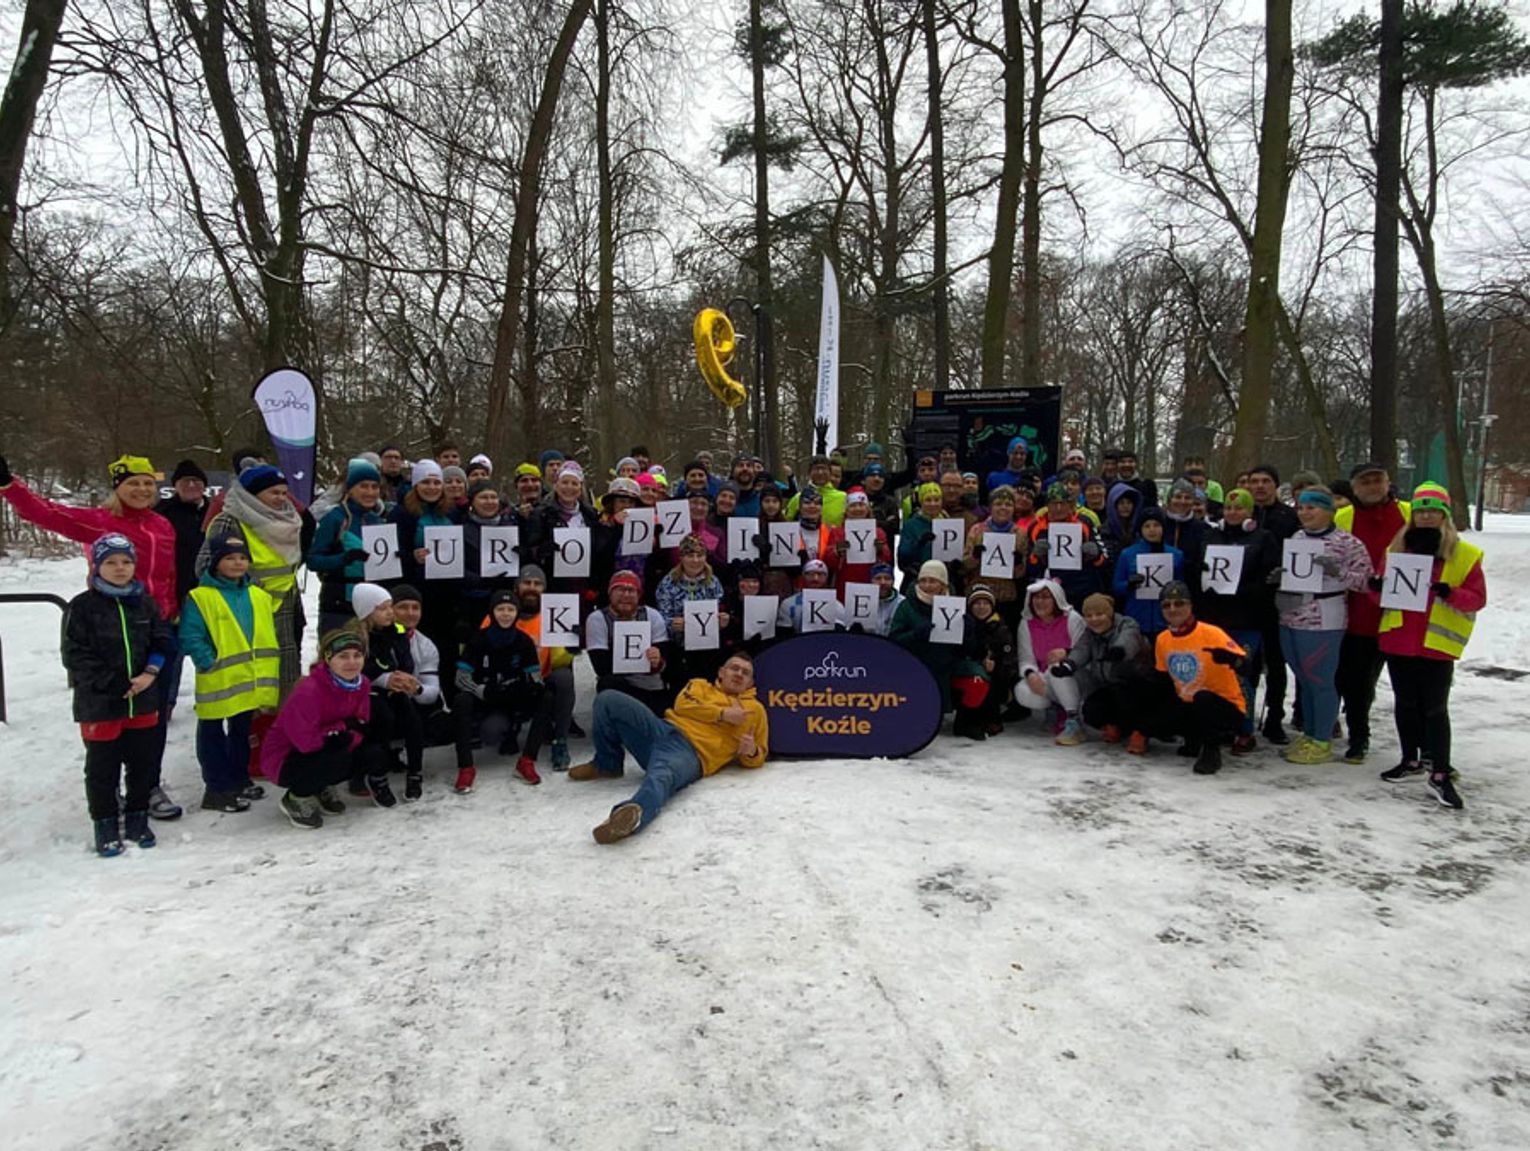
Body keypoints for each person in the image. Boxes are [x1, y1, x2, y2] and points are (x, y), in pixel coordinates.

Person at [0, 452, 183, 819]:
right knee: (111, 712)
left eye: (148, 483)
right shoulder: (102, 522)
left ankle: (147, 785)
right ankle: (107, 789)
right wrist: (9, 486)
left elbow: (169, 577)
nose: (142, 489)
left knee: (153, 715)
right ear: (118, 488)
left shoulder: (163, 526)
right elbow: (46, 514)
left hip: (156, 631)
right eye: (133, 483)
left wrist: (173, 618)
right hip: (110, 632)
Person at [569, 651, 769, 843]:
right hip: (661, 729)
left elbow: (759, 753)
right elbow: (683, 705)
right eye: (734, 668)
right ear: (721, 672)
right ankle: (607, 764)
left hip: (691, 753)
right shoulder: (698, 685)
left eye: (745, 673)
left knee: (661, 777)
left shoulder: (755, 710)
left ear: (750, 683)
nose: (739, 674)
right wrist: (722, 714)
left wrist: (750, 751)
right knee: (609, 698)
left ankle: (631, 815)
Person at [63, 534, 175, 855]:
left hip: (143, 698)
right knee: (102, 768)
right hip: (100, 703)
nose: (119, 568)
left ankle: (138, 816)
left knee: (142, 763)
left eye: (126, 562)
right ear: (97, 566)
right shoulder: (82, 607)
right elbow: (75, 654)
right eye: (111, 562)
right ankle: (105, 822)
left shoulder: (145, 602)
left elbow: (162, 639)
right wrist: (113, 682)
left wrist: (150, 673)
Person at [1376, 483, 1486, 810]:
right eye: (1421, 510)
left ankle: (1440, 771)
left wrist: (1450, 592)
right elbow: (1382, 591)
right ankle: (1411, 758)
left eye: (1433, 511)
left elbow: (1477, 599)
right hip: (1399, 639)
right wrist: (1374, 587)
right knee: (1406, 703)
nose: (1425, 516)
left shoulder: (1464, 554)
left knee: (1436, 709)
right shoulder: (1397, 549)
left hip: (1436, 643)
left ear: (1444, 516)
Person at [179, 531, 280, 812]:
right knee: (212, 732)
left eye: (242, 558)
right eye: (229, 558)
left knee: (241, 731)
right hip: (219, 677)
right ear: (215, 563)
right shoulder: (201, 597)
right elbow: (191, 634)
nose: (237, 564)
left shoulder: (259, 595)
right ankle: (216, 787)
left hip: (250, 679)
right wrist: (206, 660)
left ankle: (238, 777)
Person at [1275, 485, 1374, 765]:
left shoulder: (1347, 542)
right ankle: (1309, 733)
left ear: (1329, 511)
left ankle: (1322, 739)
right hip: (1292, 613)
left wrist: (1338, 572)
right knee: (1304, 680)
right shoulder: (1297, 536)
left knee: (1320, 680)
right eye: (1302, 507)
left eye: (1312, 507)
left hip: (1324, 618)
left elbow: (1367, 582)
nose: (1305, 513)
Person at [197, 464, 310, 700]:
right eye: (273, 493)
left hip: (284, 610)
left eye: (283, 492)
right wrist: (245, 584)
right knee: (251, 684)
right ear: (252, 494)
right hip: (244, 613)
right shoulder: (229, 521)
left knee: (285, 679)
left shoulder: (290, 521)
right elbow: (204, 567)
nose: (281, 498)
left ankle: (281, 729)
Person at [260, 627, 385, 829]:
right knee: (335, 756)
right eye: (343, 656)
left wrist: (344, 735)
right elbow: (304, 741)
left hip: (327, 743)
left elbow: (361, 722)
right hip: (285, 757)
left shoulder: (362, 684)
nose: (352, 662)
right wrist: (340, 729)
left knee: (370, 754)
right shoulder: (309, 690)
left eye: (357, 655)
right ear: (327, 659)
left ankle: (320, 785)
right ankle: (297, 797)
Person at [1332, 462, 1410, 764]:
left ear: (1388, 482)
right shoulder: (1344, 517)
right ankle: (1359, 736)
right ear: (1354, 488)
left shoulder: (1408, 512)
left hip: (1401, 614)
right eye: (1365, 481)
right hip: (1358, 614)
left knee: (1408, 686)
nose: (1373, 486)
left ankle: (1419, 748)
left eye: (1378, 480)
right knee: (1355, 682)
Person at [1197, 488, 1280, 753]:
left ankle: (1245, 729)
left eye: (1239, 508)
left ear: (1250, 512)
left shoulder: (1263, 538)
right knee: (1214, 675)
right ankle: (1222, 725)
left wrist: (1243, 588)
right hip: (1214, 620)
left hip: (1247, 619)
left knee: (1242, 675)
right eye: (1229, 509)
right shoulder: (1210, 536)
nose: (1233, 513)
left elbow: (1268, 578)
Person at [453, 589, 552, 791]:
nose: (505, 614)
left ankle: (527, 760)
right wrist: (480, 690)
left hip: (512, 697)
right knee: (461, 701)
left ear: (516, 613)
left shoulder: (524, 641)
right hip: (485, 698)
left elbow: (535, 677)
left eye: (510, 609)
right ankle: (466, 767)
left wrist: (526, 687)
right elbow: (460, 678)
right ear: (492, 612)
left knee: (547, 696)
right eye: (500, 609)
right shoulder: (478, 639)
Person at [1148, 581, 1248, 775]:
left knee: (1203, 698)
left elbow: (1247, 666)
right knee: (1159, 707)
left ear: (1190, 606)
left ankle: (1212, 750)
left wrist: (1232, 660)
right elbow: (1162, 678)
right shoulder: (1162, 639)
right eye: (1167, 605)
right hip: (1189, 702)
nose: (1173, 609)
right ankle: (1192, 738)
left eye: (1179, 603)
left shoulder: (1212, 633)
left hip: (1225, 706)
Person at [888, 560, 991, 739]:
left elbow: (969, 649)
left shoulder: (955, 605)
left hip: (949, 664)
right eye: (923, 580)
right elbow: (893, 641)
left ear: (943, 584)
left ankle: (965, 722)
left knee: (977, 679)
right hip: (917, 665)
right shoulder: (907, 606)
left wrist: (967, 634)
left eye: (933, 581)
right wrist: (915, 635)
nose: (927, 585)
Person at [352, 583, 425, 803]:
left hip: (395, 687)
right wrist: (385, 679)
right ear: (367, 613)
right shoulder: (357, 637)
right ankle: (377, 774)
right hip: (366, 691)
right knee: (383, 717)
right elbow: (359, 668)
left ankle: (415, 772)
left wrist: (405, 678)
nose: (390, 613)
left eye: (390, 607)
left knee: (412, 718)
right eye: (383, 609)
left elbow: (404, 660)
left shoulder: (396, 631)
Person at [1245, 463, 1299, 743]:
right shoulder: (1242, 513)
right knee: (1248, 662)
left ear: (1275, 485)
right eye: (1254, 481)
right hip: (1248, 600)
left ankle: (1275, 717)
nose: (1259, 486)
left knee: (1277, 664)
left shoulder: (1289, 517)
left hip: (1279, 600)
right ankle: (1245, 715)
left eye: (1266, 481)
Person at [309, 457, 387, 634]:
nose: (370, 492)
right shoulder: (335, 518)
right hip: (339, 602)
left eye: (374, 487)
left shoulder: (378, 520)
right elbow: (313, 560)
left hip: (373, 603)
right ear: (350, 490)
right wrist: (344, 559)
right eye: (363, 486)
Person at [1069, 593, 1153, 750]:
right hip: (1107, 685)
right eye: (1089, 615)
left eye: (1099, 614)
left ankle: (1140, 732)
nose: (1094, 619)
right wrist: (1070, 663)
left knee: (1129, 698)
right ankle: (1113, 726)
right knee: (1091, 709)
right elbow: (1082, 649)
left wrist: (1119, 651)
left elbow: (1129, 639)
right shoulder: (1090, 633)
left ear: (1110, 614)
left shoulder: (1127, 624)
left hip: (1135, 686)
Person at [1013, 578, 1089, 745]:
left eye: (1046, 597)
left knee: (1057, 668)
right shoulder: (1026, 624)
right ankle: (1055, 708)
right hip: (1046, 674)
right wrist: (1030, 674)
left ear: (1056, 599)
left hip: (1075, 674)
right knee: (1023, 690)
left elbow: (1085, 650)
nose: (1040, 602)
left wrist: (1066, 653)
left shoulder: (1072, 619)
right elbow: (1026, 658)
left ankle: (1073, 720)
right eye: (1036, 597)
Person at [586, 571, 671, 714]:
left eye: (631, 590)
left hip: (651, 685)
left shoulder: (653, 615)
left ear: (639, 595)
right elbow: (601, 667)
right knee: (607, 682)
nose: (626, 595)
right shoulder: (598, 619)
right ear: (610, 593)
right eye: (620, 589)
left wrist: (658, 661)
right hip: (619, 684)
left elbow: (666, 658)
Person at [655, 536, 729, 685]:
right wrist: (672, 624)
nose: (695, 560)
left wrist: (723, 620)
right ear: (681, 557)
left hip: (708, 647)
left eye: (699, 555)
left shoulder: (713, 582)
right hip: (679, 647)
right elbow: (661, 615)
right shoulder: (668, 583)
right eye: (690, 555)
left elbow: (721, 607)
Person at [1026, 483, 1108, 608]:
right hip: (1050, 589)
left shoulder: (1085, 522)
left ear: (1070, 505)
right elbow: (1029, 566)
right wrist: (1035, 555)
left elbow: (1104, 559)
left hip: (1081, 586)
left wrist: (1095, 554)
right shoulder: (1035, 526)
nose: (1059, 508)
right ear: (1047, 505)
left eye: (1063, 503)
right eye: (1054, 503)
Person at [1112, 507, 1183, 646]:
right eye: (1147, 526)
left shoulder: (1176, 555)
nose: (1152, 530)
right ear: (1141, 529)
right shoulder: (1128, 554)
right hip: (1137, 617)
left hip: (1165, 618)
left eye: (1156, 525)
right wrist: (1129, 585)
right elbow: (1116, 586)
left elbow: (1182, 586)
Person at [389, 584, 446, 745]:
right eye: (403, 607)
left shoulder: (426, 645)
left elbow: (432, 690)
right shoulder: (374, 638)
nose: (410, 613)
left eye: (415, 608)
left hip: (411, 699)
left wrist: (417, 689)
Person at [963, 486, 1027, 627]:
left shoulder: (1020, 534)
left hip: (1006, 596)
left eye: (1008, 504)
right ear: (991, 507)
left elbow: (1020, 573)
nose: (1003, 508)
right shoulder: (977, 530)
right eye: (998, 504)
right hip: (980, 594)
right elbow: (965, 565)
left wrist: (1017, 564)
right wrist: (975, 556)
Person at [156, 459, 211, 609]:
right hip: (174, 588)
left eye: (196, 480)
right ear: (175, 486)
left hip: (210, 587)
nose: (191, 485)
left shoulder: (217, 511)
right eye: (185, 481)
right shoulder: (162, 511)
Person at [966, 585, 1018, 735]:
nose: (981, 607)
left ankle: (992, 719)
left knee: (990, 682)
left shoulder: (1001, 629)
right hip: (971, 672)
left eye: (986, 603)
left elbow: (1011, 662)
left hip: (996, 679)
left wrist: (996, 667)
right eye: (977, 603)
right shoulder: (965, 625)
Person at [826, 491, 891, 592]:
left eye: (861, 505)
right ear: (846, 510)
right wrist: (836, 552)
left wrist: (881, 550)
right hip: (845, 581)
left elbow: (887, 559)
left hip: (871, 581)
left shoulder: (878, 532)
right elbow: (829, 561)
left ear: (867, 509)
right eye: (853, 505)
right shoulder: (837, 532)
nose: (857, 509)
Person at [896, 482, 945, 594]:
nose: (932, 504)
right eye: (928, 500)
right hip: (917, 578)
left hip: (941, 579)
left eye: (936, 500)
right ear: (921, 502)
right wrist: (920, 543)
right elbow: (903, 556)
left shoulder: (949, 523)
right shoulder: (911, 525)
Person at [777, 559, 846, 634]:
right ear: (803, 576)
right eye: (810, 574)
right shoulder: (788, 603)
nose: (815, 578)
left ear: (826, 578)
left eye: (820, 574)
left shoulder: (837, 606)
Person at [785, 455, 847, 525]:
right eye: (816, 469)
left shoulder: (843, 498)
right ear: (809, 473)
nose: (820, 472)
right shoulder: (798, 498)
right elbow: (786, 524)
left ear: (830, 473)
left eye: (824, 469)